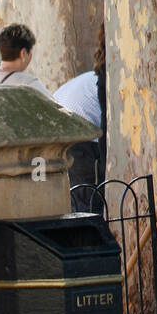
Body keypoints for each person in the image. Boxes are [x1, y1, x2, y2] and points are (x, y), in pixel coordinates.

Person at [54, 25, 106, 204]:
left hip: (63, 125)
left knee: (77, 192)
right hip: (75, 130)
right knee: (85, 195)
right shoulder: (105, 83)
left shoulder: (96, 78)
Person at [0, 23, 52, 97]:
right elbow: (57, 109)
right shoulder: (30, 84)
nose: (31, 56)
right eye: (30, 52)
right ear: (23, 53)